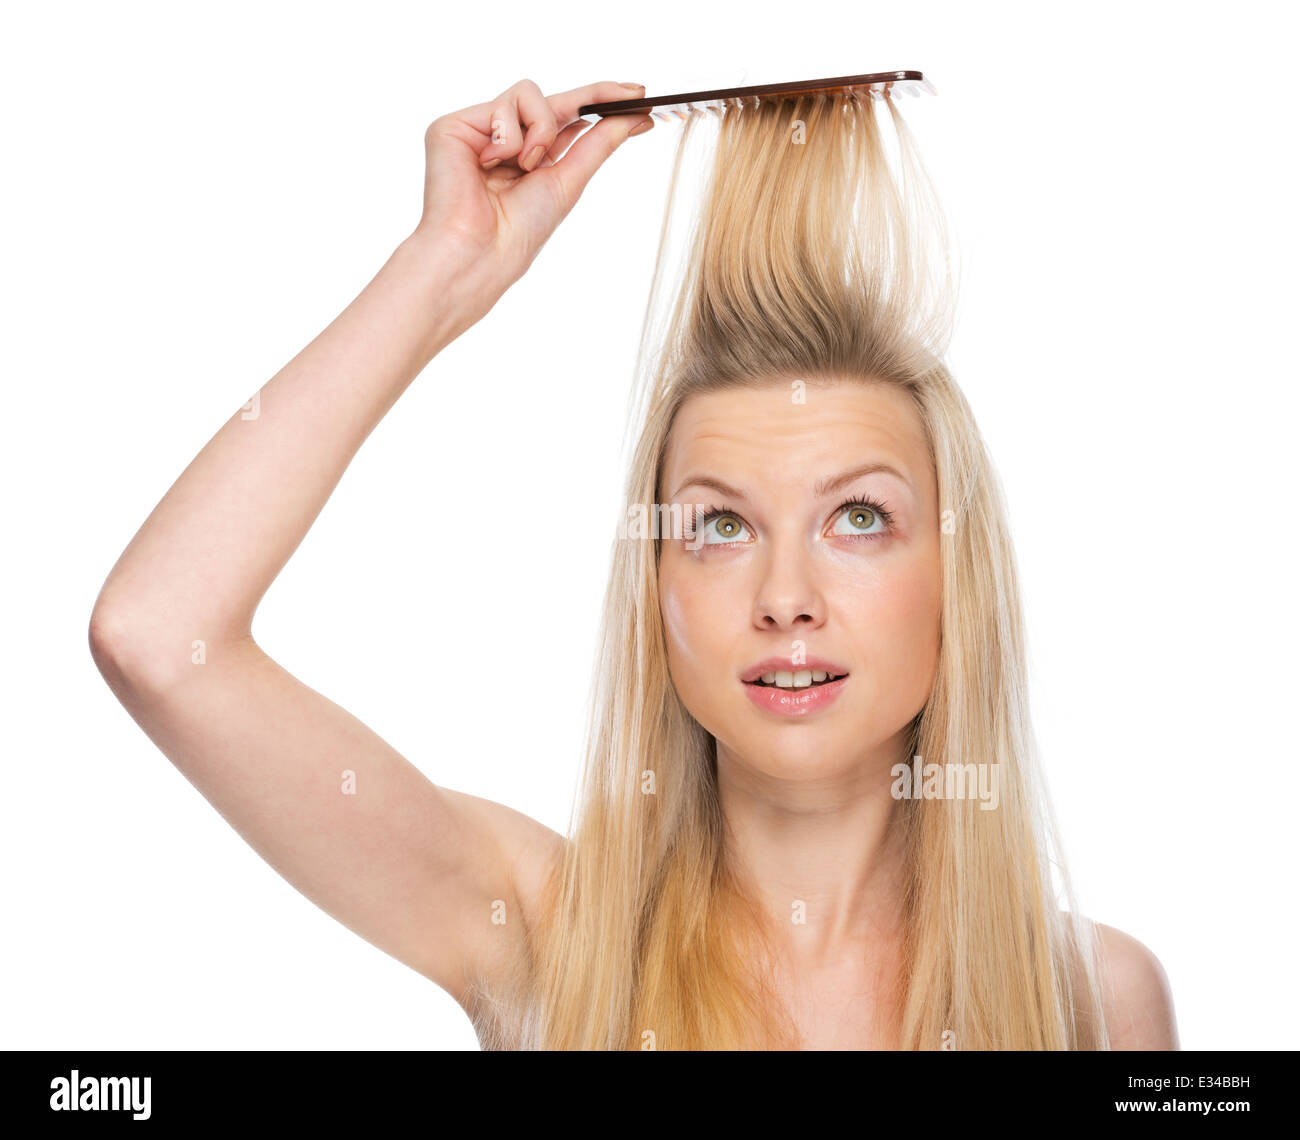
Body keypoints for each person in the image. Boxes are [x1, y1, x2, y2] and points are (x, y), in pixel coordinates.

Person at [89, 78, 1177, 1050]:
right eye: (717, 527)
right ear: (655, 594)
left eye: (856, 517)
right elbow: (158, 638)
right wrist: (447, 271)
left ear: (956, 579)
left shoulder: (1091, 1001)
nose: (786, 601)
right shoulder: (543, 939)